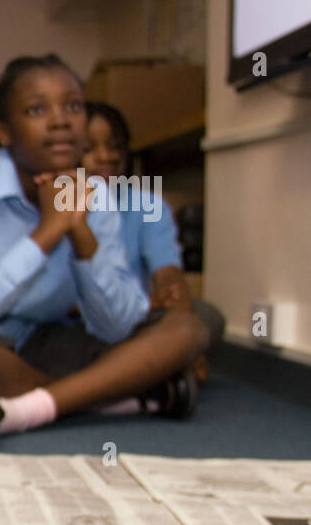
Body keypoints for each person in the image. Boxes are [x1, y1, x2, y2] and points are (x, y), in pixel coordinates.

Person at [0, 54, 210, 436]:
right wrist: (47, 234)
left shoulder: (95, 196)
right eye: (37, 109)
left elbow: (119, 327)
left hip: (38, 339)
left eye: (74, 106)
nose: (61, 121)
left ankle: (25, 409)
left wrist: (82, 237)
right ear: (3, 130)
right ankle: (117, 396)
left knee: (186, 329)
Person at [83, 100, 225, 373]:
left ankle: (147, 364)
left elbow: (168, 276)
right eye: (89, 149)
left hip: (140, 322)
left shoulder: (147, 205)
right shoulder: (57, 204)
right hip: (82, 324)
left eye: (114, 146)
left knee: (207, 317)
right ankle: (148, 370)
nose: (105, 157)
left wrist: (186, 341)